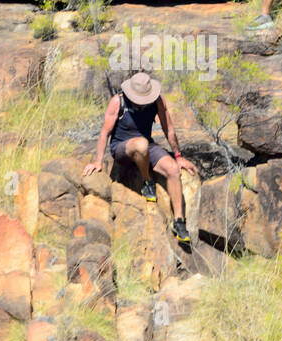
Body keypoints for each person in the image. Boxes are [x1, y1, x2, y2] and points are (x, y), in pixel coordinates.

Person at [82, 71, 197, 244]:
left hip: (147, 146)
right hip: (122, 148)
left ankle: (179, 221)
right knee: (141, 144)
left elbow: (169, 129)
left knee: (173, 169)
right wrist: (98, 161)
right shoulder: (117, 101)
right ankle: (147, 182)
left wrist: (178, 156)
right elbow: (105, 132)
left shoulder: (157, 100)